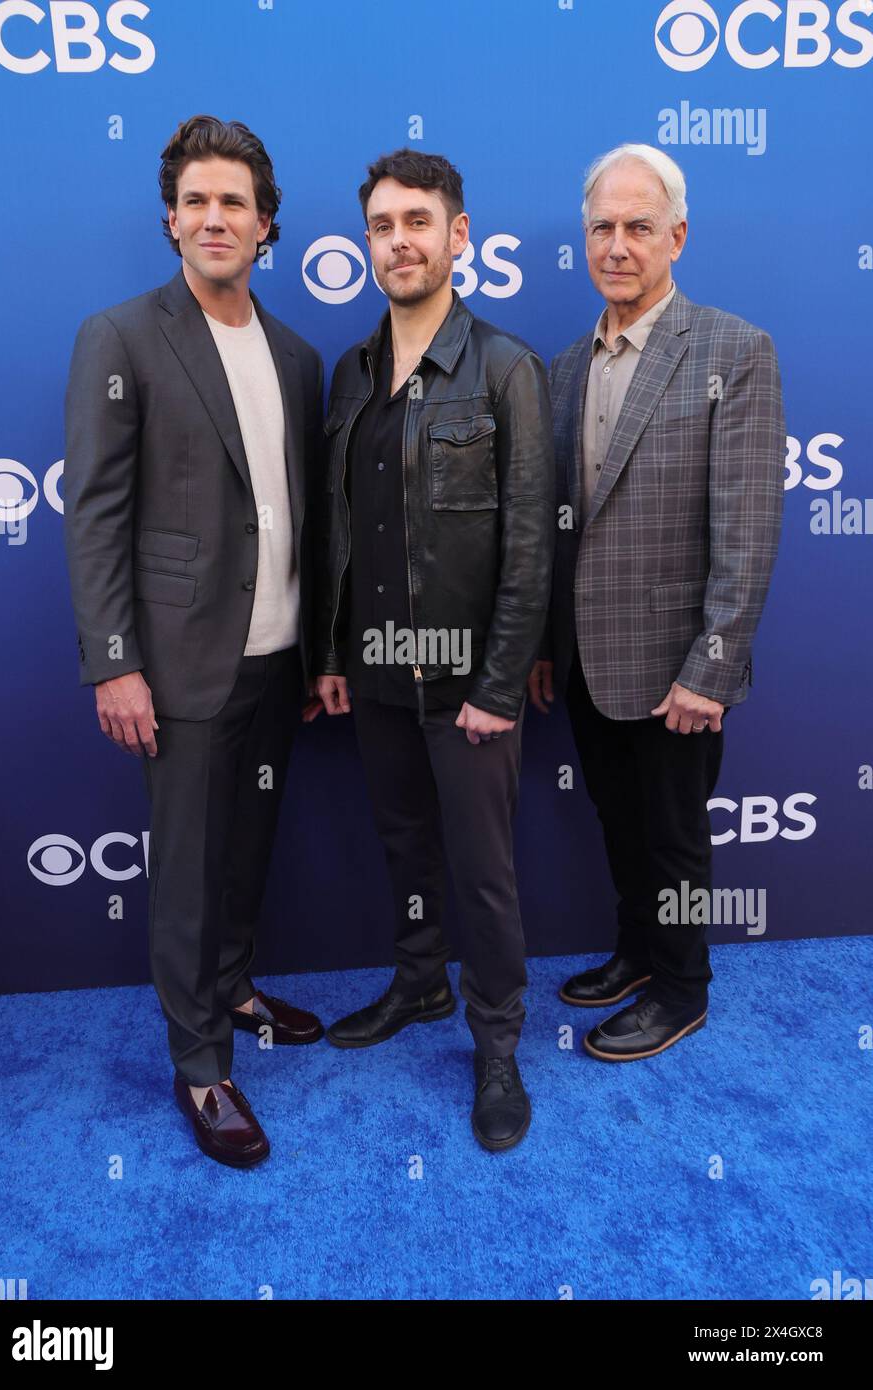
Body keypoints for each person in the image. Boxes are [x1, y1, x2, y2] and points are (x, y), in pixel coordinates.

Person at [63, 115, 325, 1168]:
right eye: (197, 201)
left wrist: (317, 653)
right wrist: (114, 656)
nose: (216, 218)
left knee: (247, 850)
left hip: (277, 661)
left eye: (236, 202)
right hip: (174, 664)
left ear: (266, 225)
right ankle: (201, 1061)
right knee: (184, 867)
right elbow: (94, 513)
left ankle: (233, 986)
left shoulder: (299, 356)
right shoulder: (120, 338)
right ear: (170, 219)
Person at [315, 149, 555, 1151]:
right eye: (380, 224)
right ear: (365, 241)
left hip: (469, 687)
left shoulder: (503, 365)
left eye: (417, 220)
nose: (398, 240)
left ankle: (495, 1041)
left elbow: (531, 537)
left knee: (483, 872)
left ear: (459, 236)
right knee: (405, 849)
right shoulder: (352, 371)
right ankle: (418, 983)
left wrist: (499, 683)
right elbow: (340, 524)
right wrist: (332, 655)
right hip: (374, 676)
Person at [529, 143, 785, 1061]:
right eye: (602, 227)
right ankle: (639, 953)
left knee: (675, 837)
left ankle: (682, 988)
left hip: (680, 666)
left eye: (638, 226)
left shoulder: (733, 349)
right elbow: (566, 526)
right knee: (618, 820)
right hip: (591, 660)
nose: (617, 244)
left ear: (676, 235)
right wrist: (549, 646)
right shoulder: (564, 368)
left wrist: (711, 670)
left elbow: (747, 527)